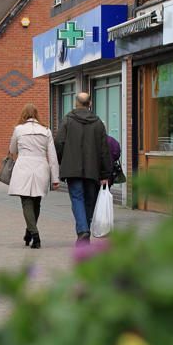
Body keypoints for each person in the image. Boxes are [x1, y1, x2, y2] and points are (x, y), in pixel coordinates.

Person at [55, 92, 111, 245]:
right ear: (90, 104)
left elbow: (59, 143)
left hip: (72, 169)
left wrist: (62, 162)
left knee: (77, 199)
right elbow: (104, 150)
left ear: (75, 103)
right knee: (89, 200)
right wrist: (105, 173)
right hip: (93, 169)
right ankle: (84, 229)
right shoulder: (98, 123)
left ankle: (83, 231)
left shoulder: (67, 120)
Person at [7, 104, 60, 249]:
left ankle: (35, 234)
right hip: (41, 167)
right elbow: (52, 155)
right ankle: (30, 231)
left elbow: (12, 149)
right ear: (37, 114)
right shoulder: (46, 130)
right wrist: (55, 178)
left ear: (23, 114)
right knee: (36, 202)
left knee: (26, 202)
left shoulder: (18, 129)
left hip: (23, 166)